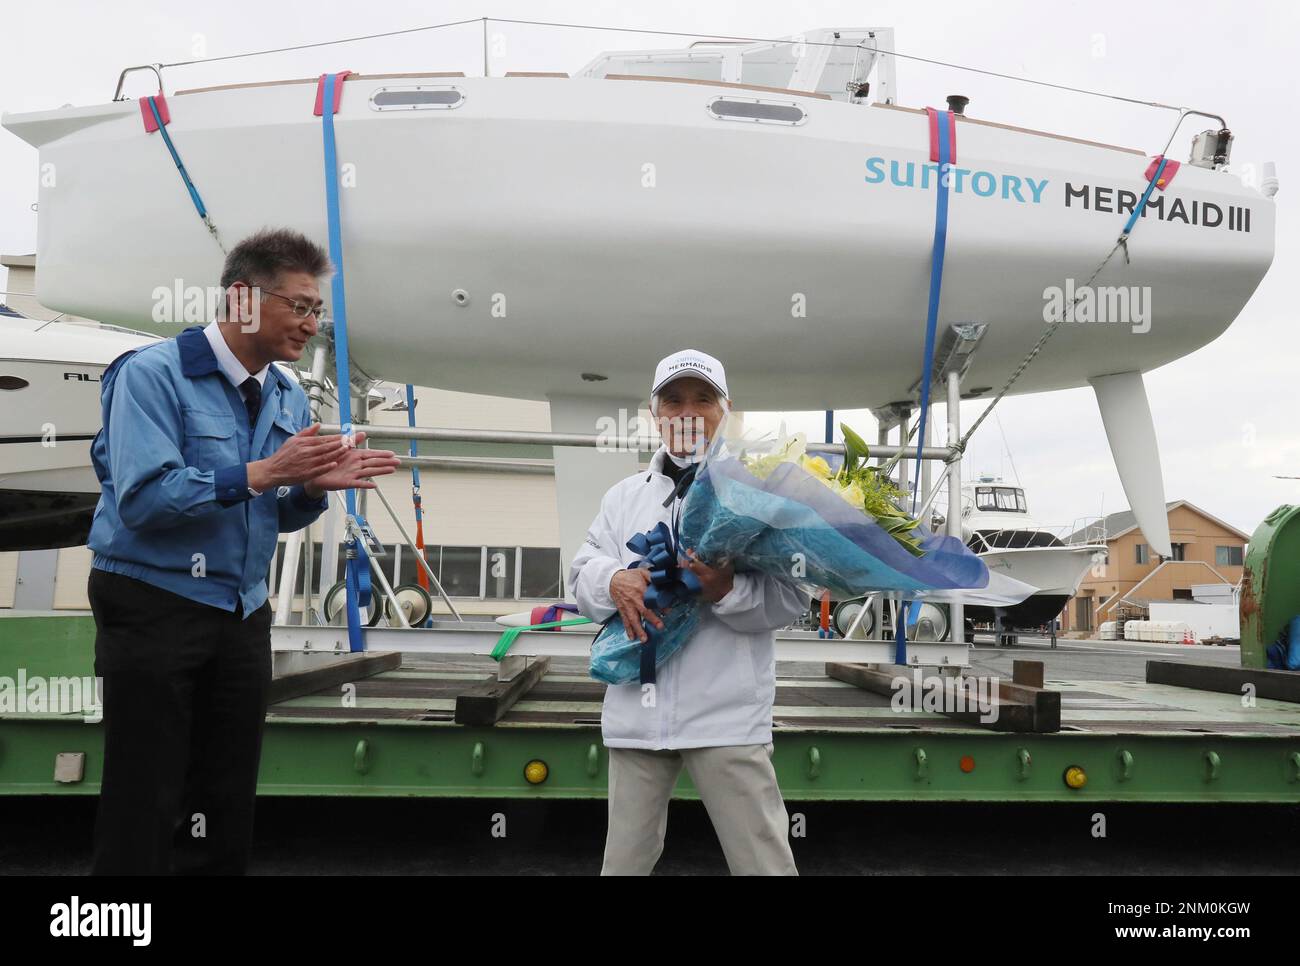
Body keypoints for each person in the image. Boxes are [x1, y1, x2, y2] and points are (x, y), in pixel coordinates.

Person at [86, 227, 401, 874]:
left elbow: (270, 515)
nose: (312, 325)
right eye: (301, 307)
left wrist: (310, 491)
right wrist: (263, 472)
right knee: (145, 801)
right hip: (155, 605)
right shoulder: (151, 376)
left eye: (318, 311)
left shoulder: (284, 391)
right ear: (241, 300)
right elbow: (144, 501)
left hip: (239, 614)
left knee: (225, 803)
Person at [570, 349, 808, 875]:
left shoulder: (758, 495)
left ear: (727, 412)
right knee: (623, 864)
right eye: (673, 400)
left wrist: (724, 589)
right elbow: (581, 578)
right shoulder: (623, 497)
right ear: (654, 415)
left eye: (703, 399)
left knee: (762, 860)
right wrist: (614, 581)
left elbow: (792, 600)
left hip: (726, 715)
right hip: (637, 711)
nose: (687, 412)